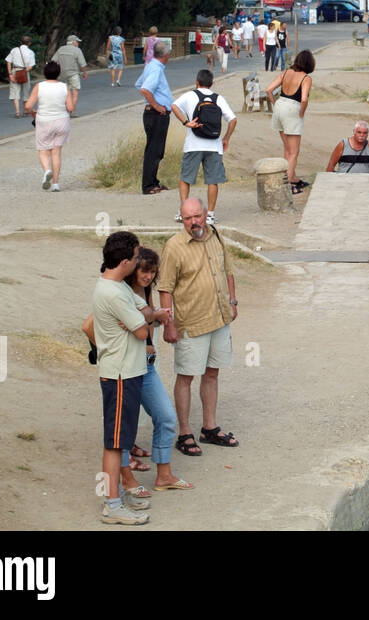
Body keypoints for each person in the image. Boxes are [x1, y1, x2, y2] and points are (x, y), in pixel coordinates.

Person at [158, 199, 240, 456]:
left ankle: (209, 427)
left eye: (197, 216)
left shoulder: (216, 235)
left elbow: (228, 270)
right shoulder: (174, 247)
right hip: (191, 323)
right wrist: (168, 324)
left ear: (205, 214)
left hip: (218, 317)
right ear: (181, 220)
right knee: (186, 377)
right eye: (187, 218)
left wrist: (233, 300)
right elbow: (165, 288)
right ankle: (184, 433)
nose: (193, 222)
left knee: (212, 373)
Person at [118, 247, 192, 497]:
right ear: (132, 270)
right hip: (125, 367)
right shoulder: (121, 292)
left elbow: (146, 322)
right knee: (124, 425)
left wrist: (157, 320)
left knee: (166, 417)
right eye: (144, 271)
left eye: (152, 272)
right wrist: (155, 315)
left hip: (146, 365)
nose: (148, 276)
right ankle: (125, 476)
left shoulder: (146, 290)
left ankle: (164, 475)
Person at [93, 230, 154, 525]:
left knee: (120, 441)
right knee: (115, 444)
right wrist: (139, 322)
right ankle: (112, 504)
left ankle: (117, 497)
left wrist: (138, 321)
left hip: (125, 372)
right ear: (125, 261)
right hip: (119, 375)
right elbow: (143, 330)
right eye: (136, 256)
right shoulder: (114, 293)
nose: (138, 261)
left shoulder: (113, 286)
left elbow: (141, 322)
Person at [172, 70, 237, 224]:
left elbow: (174, 106)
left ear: (197, 82)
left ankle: (184, 212)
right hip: (214, 145)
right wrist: (226, 138)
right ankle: (210, 214)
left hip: (193, 144)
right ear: (212, 83)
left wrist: (186, 122)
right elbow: (233, 120)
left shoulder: (189, 95)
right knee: (212, 180)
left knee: (186, 178)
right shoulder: (218, 98)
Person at [267, 50, 314, 195]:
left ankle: (292, 177)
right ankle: (287, 184)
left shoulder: (286, 72)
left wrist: (275, 104)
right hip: (293, 108)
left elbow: (269, 89)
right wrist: (302, 111)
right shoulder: (306, 78)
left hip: (280, 105)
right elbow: (304, 98)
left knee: (287, 148)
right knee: (294, 151)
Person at [26, 60, 77, 192]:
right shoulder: (64, 87)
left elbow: (28, 106)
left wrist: (33, 113)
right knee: (56, 152)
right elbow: (70, 107)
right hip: (62, 121)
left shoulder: (39, 86)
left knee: (43, 150)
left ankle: (47, 170)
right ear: (58, 73)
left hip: (44, 120)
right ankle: (55, 184)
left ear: (45, 73)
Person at [135, 41, 173, 195]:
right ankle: (148, 185)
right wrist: (157, 105)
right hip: (156, 114)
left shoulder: (151, 66)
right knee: (154, 150)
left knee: (156, 149)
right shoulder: (156, 69)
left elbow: (138, 84)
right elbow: (144, 89)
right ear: (166, 55)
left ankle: (153, 181)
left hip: (154, 113)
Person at [5, 35, 35, 119]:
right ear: (29, 43)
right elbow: (31, 67)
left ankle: (17, 112)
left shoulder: (14, 50)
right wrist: (23, 72)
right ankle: (25, 111)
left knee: (15, 92)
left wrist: (10, 74)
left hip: (15, 71)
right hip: (25, 72)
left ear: (20, 42)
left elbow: (8, 62)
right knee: (26, 92)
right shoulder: (31, 52)